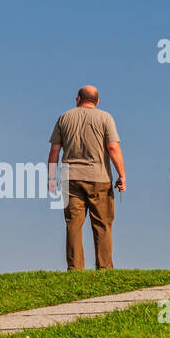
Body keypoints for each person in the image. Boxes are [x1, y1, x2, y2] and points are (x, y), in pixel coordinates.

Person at [46, 85, 125, 270]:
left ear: (78, 99)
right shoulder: (106, 118)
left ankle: (75, 269)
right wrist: (122, 174)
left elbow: (54, 150)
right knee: (102, 225)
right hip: (99, 177)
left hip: (70, 178)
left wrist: (51, 177)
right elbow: (113, 148)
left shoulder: (64, 118)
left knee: (73, 224)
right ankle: (104, 268)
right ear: (97, 101)